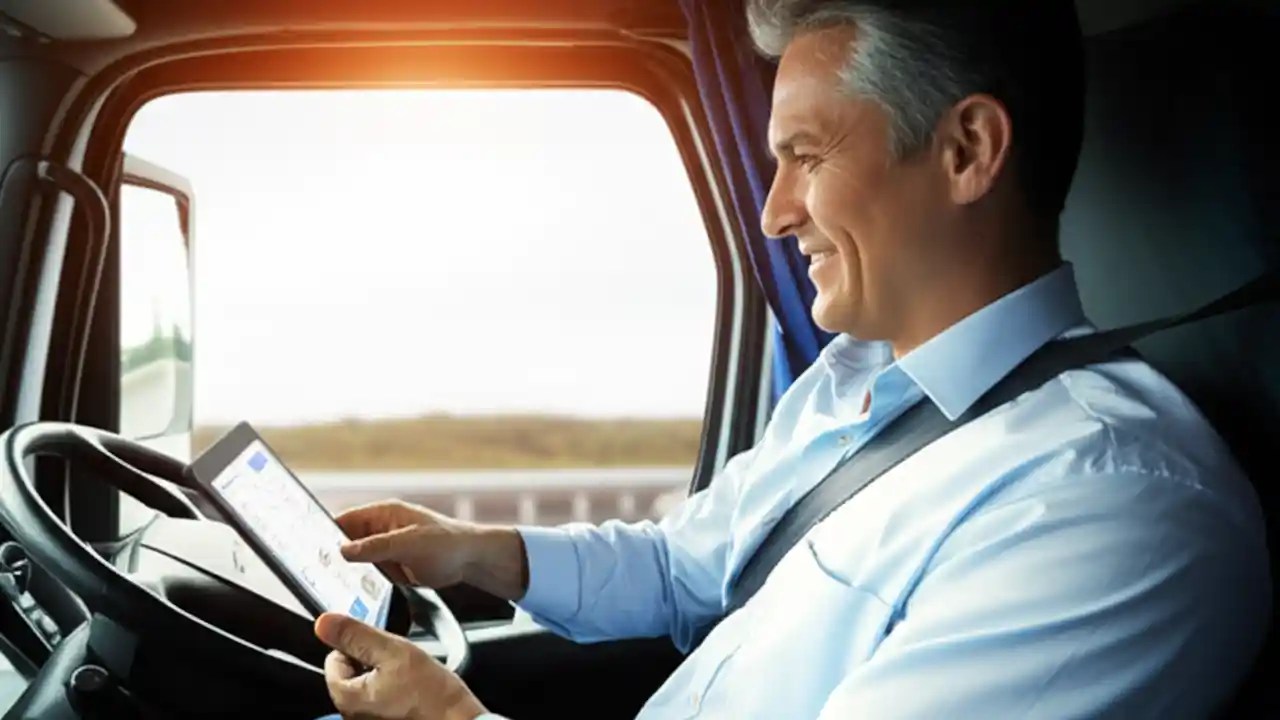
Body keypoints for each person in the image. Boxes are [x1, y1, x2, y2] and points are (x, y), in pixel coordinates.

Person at [312, 1, 1272, 718]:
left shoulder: (1111, 506)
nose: (773, 214)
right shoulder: (853, 379)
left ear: (969, 150)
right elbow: (693, 566)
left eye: (806, 156)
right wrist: (480, 552)